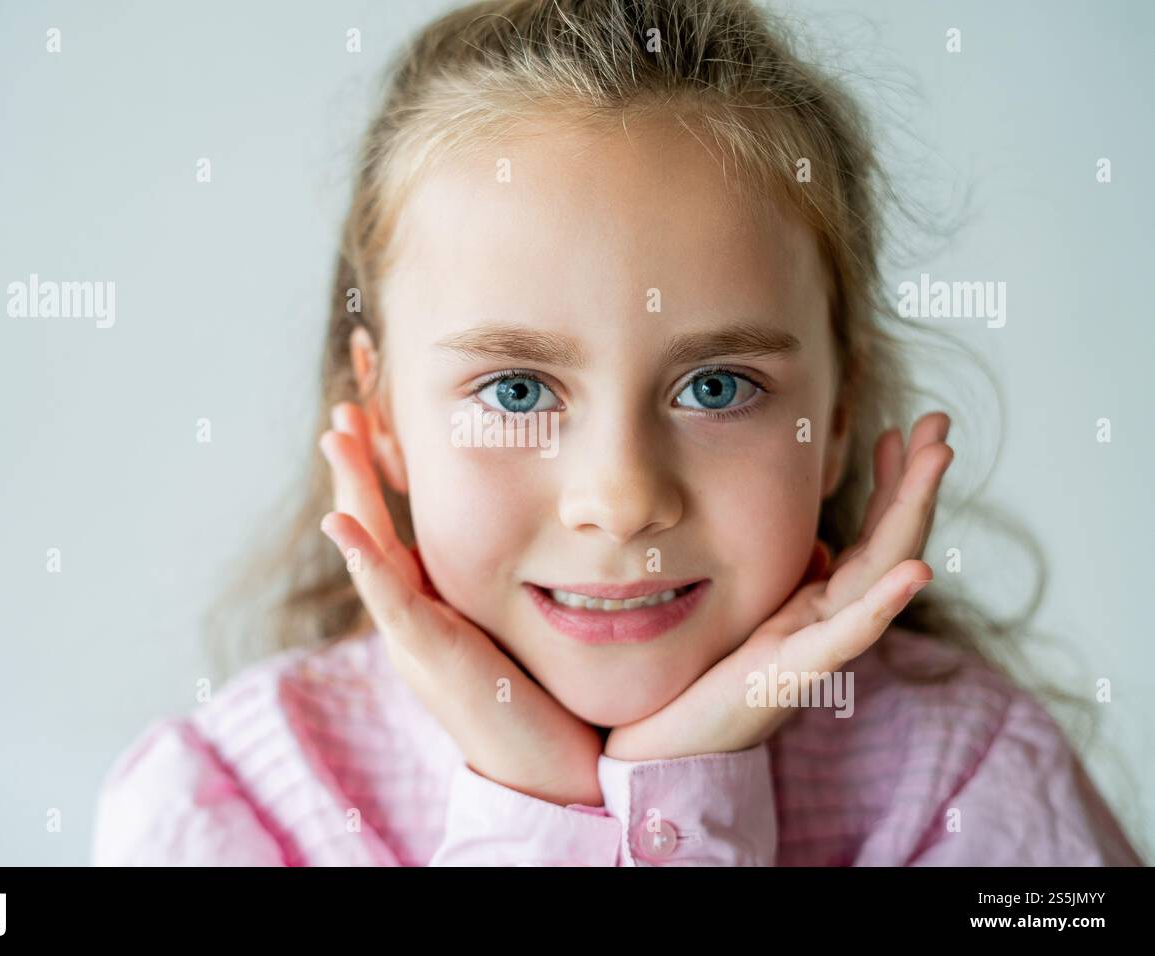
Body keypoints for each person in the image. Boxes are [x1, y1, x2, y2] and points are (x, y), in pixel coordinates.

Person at [90, 0, 1144, 866]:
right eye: (514, 391)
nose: (623, 493)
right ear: (381, 416)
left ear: (837, 416)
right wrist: (544, 802)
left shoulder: (971, 777)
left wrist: (677, 787)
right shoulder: (231, 804)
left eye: (719, 384)